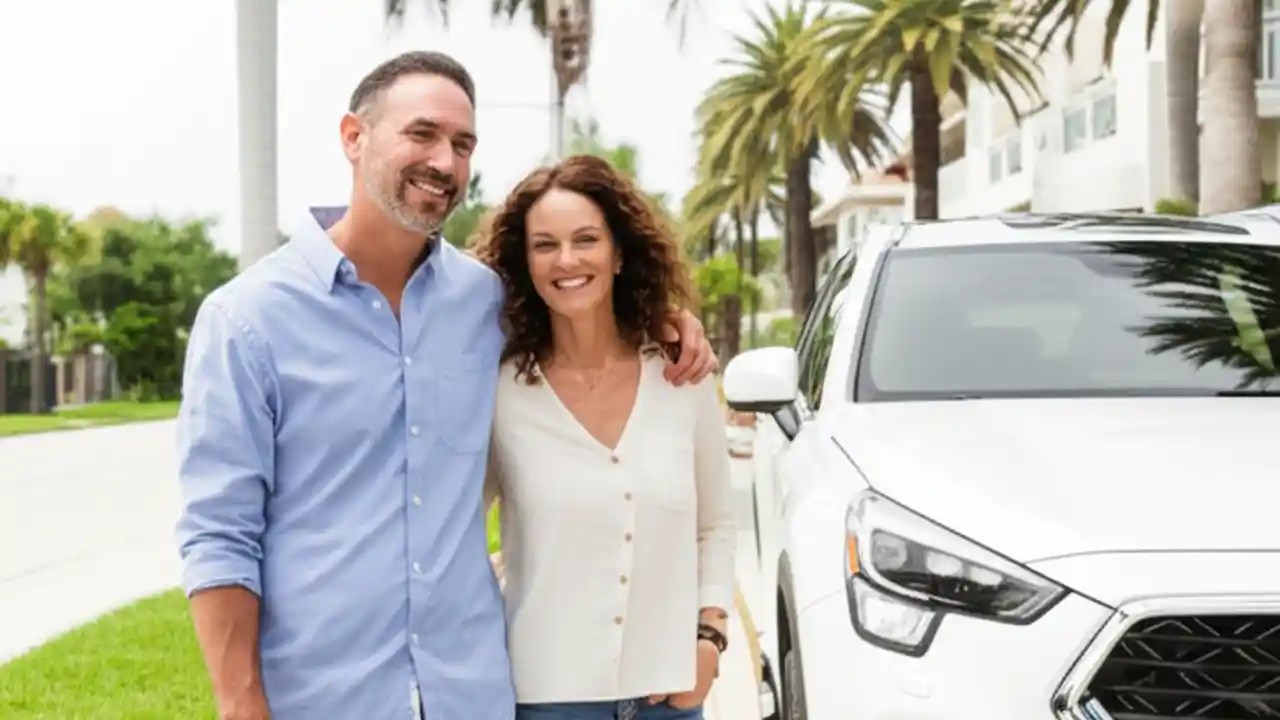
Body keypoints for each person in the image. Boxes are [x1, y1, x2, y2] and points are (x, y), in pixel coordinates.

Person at [174, 51, 717, 720]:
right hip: (323, 701)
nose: (445, 161)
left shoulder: (485, 302)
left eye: (463, 144)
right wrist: (239, 702)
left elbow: (579, 301)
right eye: (422, 133)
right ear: (353, 137)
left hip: (472, 696)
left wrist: (665, 320)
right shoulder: (245, 320)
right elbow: (219, 533)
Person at [472, 154, 736, 720]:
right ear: (525, 263)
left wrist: (710, 638)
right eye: (544, 245)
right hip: (544, 700)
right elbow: (458, 527)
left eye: (586, 239)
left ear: (619, 254)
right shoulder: (498, 393)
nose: (566, 260)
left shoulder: (681, 374)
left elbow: (715, 523)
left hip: (670, 697)